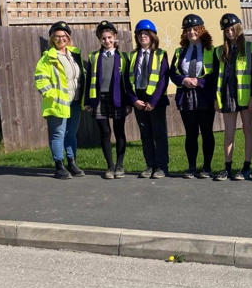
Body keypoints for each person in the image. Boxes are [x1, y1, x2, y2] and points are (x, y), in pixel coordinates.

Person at [34, 21, 86, 179]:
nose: (60, 39)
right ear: (52, 39)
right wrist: (53, 95)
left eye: (64, 36)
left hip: (75, 102)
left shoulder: (75, 54)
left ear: (68, 37)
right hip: (58, 104)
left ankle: (72, 162)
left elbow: (80, 75)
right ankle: (59, 166)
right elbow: (40, 81)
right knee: (58, 134)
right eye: (57, 36)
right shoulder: (47, 58)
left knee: (71, 134)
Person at [169, 14, 216, 179]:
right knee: (190, 134)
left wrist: (199, 82)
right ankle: (191, 167)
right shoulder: (179, 51)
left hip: (205, 97)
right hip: (186, 97)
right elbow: (172, 73)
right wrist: (184, 80)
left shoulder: (211, 50)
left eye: (194, 29)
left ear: (201, 30)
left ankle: (207, 167)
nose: (191, 32)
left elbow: (215, 74)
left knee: (207, 132)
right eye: (188, 30)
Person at [213, 13, 252, 181]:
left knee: (247, 130)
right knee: (229, 133)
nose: (230, 32)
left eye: (232, 29)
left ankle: (246, 167)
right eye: (226, 30)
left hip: (245, 96)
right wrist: (216, 99)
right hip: (227, 96)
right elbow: (215, 78)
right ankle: (228, 167)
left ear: (238, 28)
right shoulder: (219, 51)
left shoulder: (250, 48)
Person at [84, 21, 130, 180]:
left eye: (109, 37)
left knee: (119, 131)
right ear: (99, 39)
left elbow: (128, 82)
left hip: (118, 98)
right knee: (105, 132)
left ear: (115, 37)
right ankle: (110, 166)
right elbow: (88, 79)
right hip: (99, 99)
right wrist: (88, 101)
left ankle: (120, 165)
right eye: (103, 38)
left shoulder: (123, 57)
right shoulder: (94, 57)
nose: (107, 41)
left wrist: (129, 102)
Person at [126, 19, 169, 179]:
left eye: (146, 33)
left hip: (155, 101)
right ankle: (150, 165)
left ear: (152, 36)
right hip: (139, 101)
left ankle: (162, 167)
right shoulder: (132, 56)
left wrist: (153, 102)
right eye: (140, 34)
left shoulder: (160, 54)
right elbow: (127, 81)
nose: (143, 36)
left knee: (159, 134)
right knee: (145, 135)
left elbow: (163, 80)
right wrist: (133, 100)